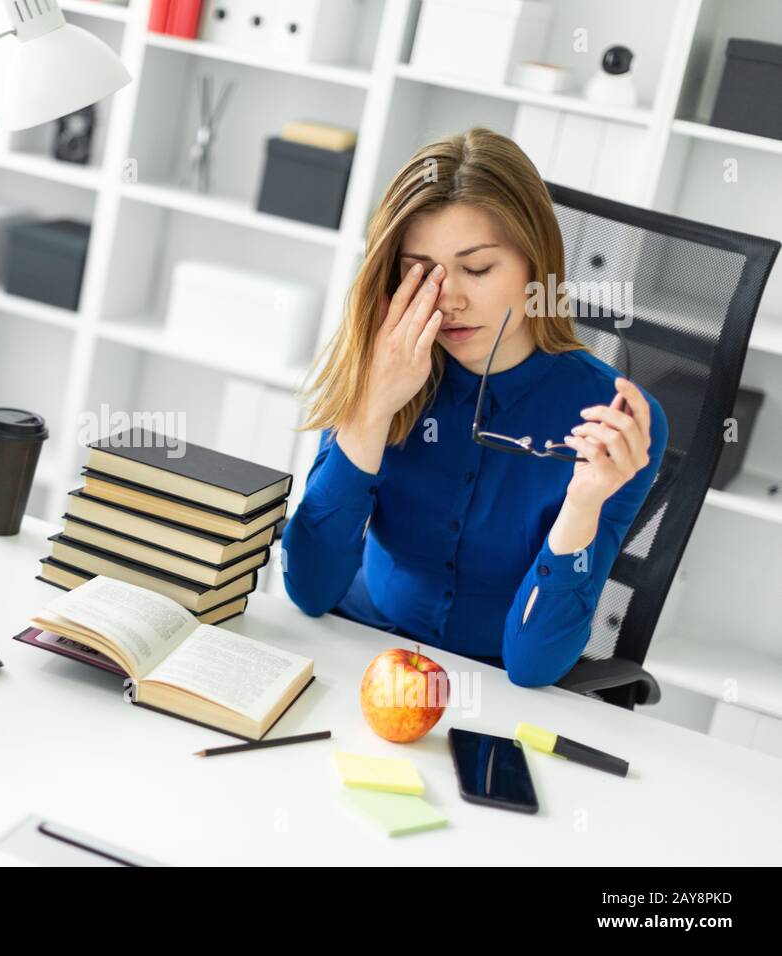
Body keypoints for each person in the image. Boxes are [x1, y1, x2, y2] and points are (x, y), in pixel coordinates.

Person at [282, 127, 668, 687]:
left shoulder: (615, 420)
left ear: (536, 263)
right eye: (422, 271)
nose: (450, 299)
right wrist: (369, 412)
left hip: (492, 686)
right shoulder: (384, 363)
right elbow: (309, 590)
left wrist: (583, 505)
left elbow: (533, 666)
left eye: (478, 268)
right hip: (356, 653)